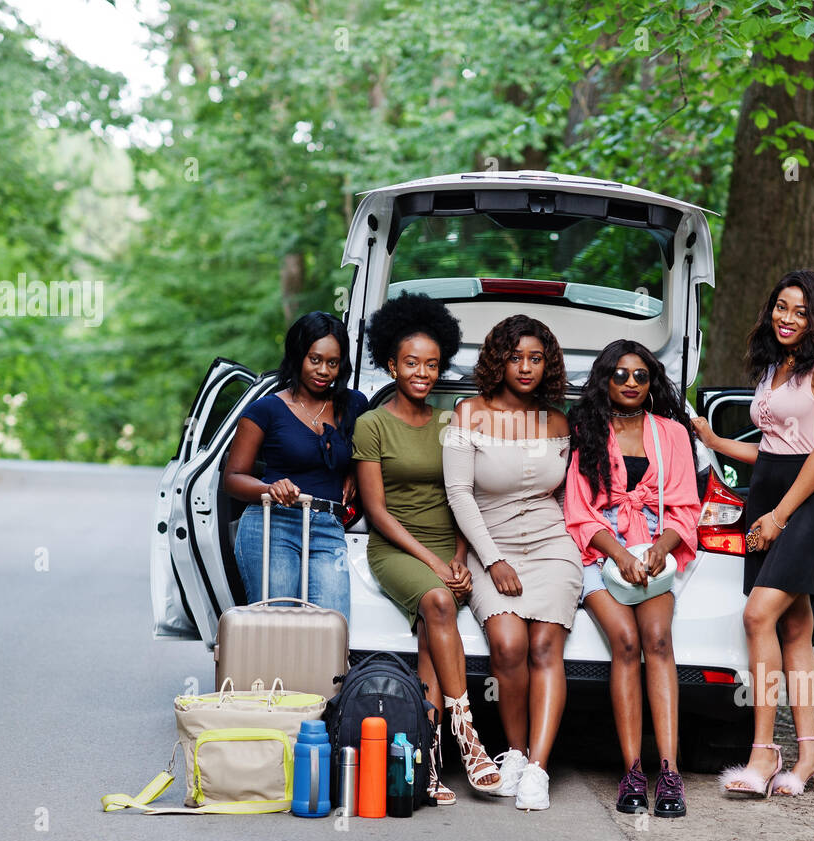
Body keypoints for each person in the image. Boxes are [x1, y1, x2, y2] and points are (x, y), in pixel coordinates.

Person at [692, 268, 814, 798]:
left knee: (758, 614)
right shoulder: (774, 365)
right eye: (782, 307)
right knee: (795, 629)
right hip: (770, 492)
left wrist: (779, 515)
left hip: (805, 501)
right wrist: (713, 439)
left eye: (801, 311)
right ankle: (810, 751)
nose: (788, 318)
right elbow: (771, 449)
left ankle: (763, 752)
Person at [352, 291, 500, 804]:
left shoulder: (450, 421)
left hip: (451, 549)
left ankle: (427, 765)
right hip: (397, 550)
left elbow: (465, 495)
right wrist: (437, 564)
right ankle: (469, 736)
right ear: (391, 364)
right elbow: (378, 513)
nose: (423, 373)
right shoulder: (371, 424)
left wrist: (460, 558)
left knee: (429, 644)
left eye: (432, 365)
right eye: (412, 363)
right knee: (437, 602)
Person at [443, 315, 581, 811]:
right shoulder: (468, 414)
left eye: (536, 358)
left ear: (548, 364)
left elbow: (572, 494)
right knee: (506, 644)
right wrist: (492, 559)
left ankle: (537, 769)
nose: (526, 367)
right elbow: (459, 493)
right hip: (489, 542)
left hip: (551, 544)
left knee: (545, 645)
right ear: (498, 360)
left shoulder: (559, 421)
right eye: (516, 357)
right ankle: (515, 753)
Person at [564, 340, 700, 818]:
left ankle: (670, 772)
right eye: (620, 374)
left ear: (651, 382)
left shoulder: (672, 434)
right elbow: (578, 511)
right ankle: (632, 771)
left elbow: (686, 508)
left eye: (641, 375)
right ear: (605, 379)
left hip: (657, 552)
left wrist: (661, 550)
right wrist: (620, 555)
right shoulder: (586, 431)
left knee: (657, 640)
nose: (630, 383)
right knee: (625, 641)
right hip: (601, 554)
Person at [224, 311, 367, 622]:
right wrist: (269, 488)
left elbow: (371, 452)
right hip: (272, 524)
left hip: (330, 527)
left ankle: (321, 676)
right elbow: (232, 478)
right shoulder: (266, 409)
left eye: (333, 362)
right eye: (314, 359)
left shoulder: (355, 405)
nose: (324, 370)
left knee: (332, 627)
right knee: (277, 626)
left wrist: (353, 471)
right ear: (298, 355)